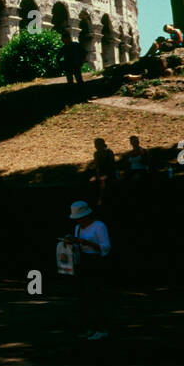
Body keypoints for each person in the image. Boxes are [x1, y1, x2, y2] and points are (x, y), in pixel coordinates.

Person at [63, 200, 112, 340]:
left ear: (87, 216)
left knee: (95, 295)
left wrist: (86, 243)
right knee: (83, 297)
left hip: (96, 262)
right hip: (83, 263)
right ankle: (89, 327)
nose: (79, 221)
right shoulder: (78, 228)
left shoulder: (99, 226)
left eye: (80, 218)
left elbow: (106, 247)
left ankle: (101, 329)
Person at [90, 138, 117, 208]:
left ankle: (101, 200)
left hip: (109, 173)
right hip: (101, 173)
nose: (96, 146)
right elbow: (97, 166)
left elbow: (112, 165)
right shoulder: (96, 153)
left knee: (103, 182)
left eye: (97, 145)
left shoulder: (109, 152)